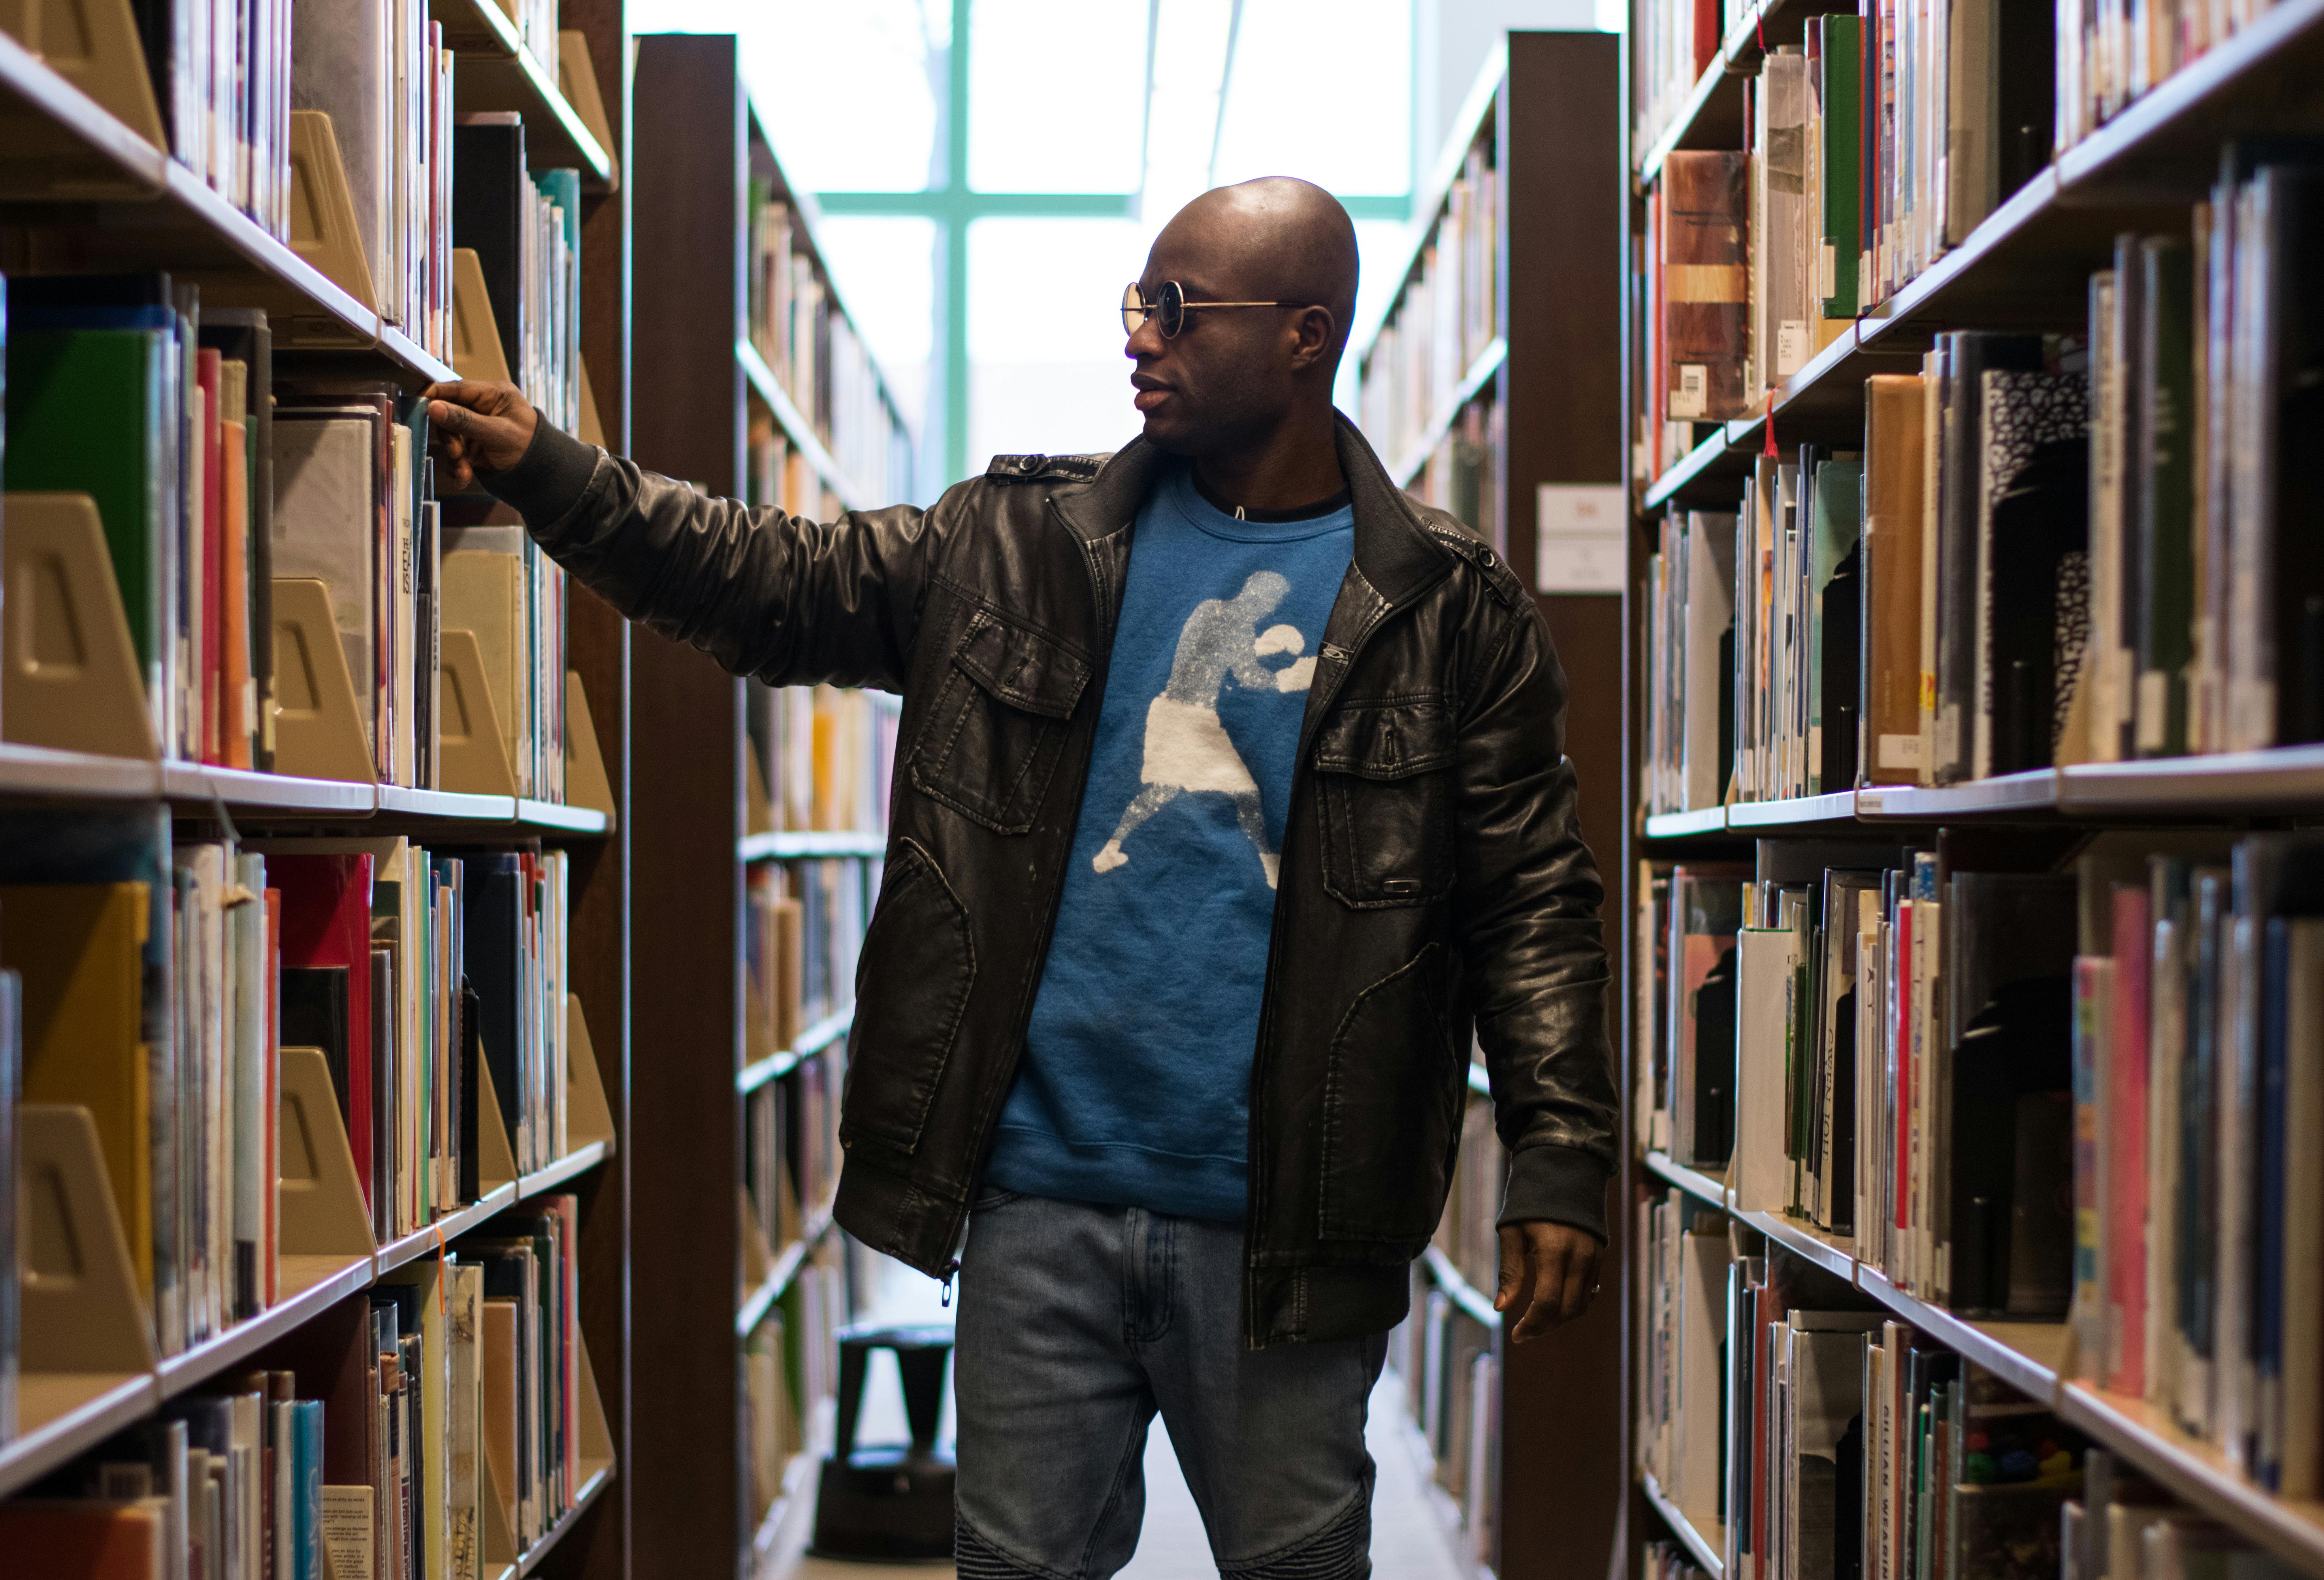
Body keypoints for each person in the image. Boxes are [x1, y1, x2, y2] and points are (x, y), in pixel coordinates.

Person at [426, 175, 1614, 1580]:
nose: (1140, 337)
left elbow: (1530, 893)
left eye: (1179, 310)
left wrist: (1560, 1149)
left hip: (1289, 1224)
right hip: (1034, 1202)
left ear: (1307, 334)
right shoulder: (1011, 547)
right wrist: (553, 471)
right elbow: (765, 580)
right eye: (1138, 302)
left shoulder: (1448, 606)